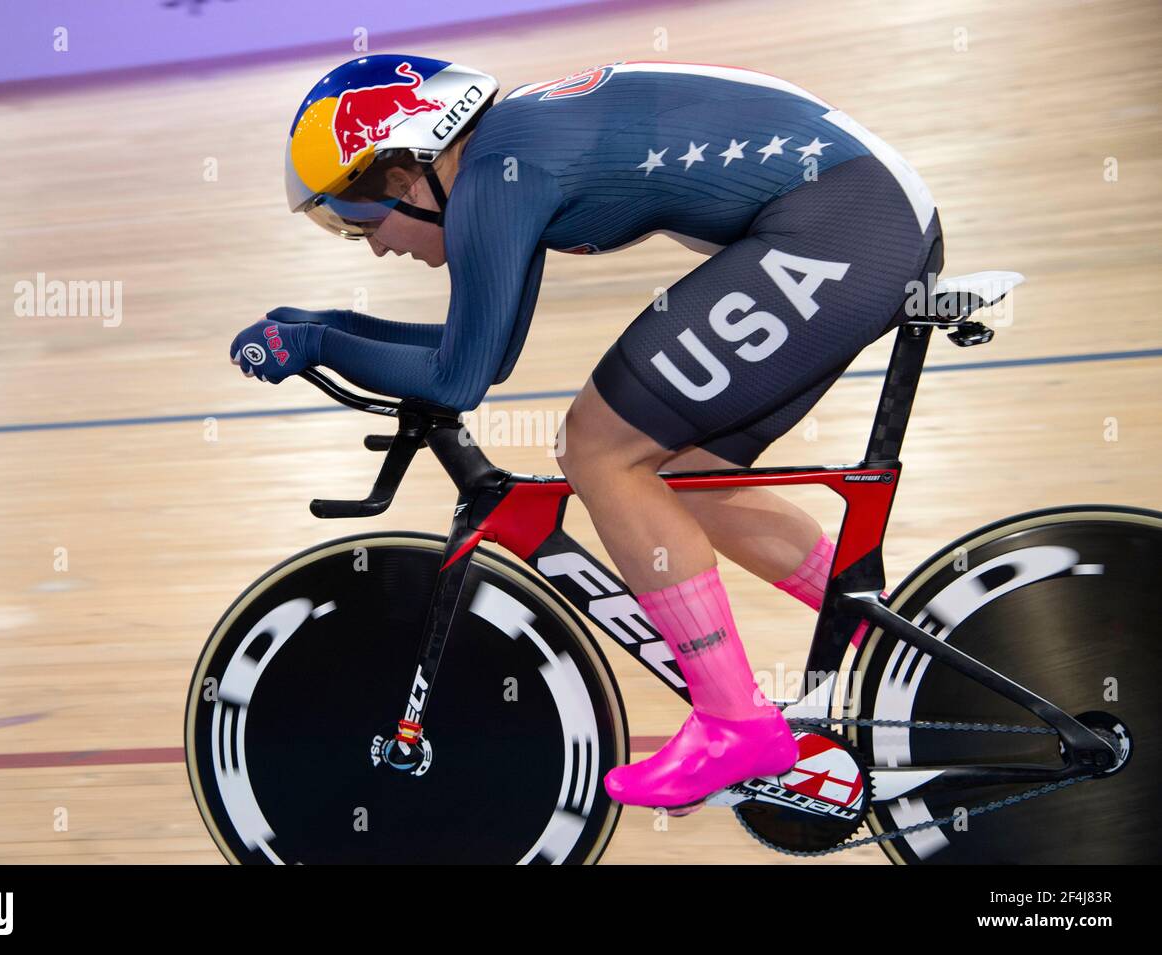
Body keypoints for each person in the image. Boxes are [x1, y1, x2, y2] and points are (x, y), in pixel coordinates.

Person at [231, 53, 944, 814]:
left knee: (600, 448)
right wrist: (324, 326)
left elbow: (455, 380)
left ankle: (735, 722)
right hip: (869, 218)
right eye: (343, 226)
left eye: (362, 213)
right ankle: (913, 650)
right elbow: (485, 353)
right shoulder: (502, 160)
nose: (370, 242)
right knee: (687, 478)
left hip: (845, 221)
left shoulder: (497, 179)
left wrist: (314, 346)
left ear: (413, 168)